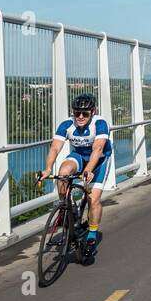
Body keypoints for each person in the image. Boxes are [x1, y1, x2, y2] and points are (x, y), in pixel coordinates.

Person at [39, 92, 111, 253]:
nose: (80, 116)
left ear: (93, 112)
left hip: (99, 160)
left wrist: (88, 170)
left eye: (84, 113)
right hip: (78, 155)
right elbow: (55, 147)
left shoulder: (100, 123)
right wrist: (47, 169)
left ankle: (92, 234)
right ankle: (67, 207)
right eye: (76, 112)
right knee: (63, 172)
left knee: (93, 199)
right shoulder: (67, 124)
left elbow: (98, 148)